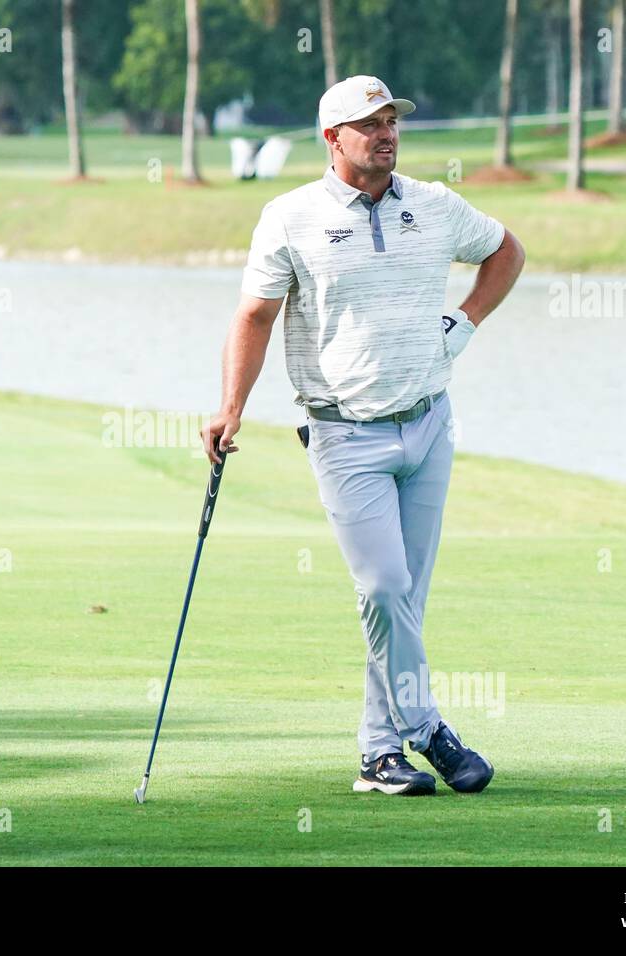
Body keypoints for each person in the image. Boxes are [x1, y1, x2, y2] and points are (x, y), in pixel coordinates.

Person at [201, 75, 526, 797]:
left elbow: (506, 251)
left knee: (405, 601)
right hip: (346, 435)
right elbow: (253, 318)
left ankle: (379, 756)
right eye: (368, 124)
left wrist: (463, 323)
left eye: (391, 121)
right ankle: (429, 730)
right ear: (332, 138)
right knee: (383, 588)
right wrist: (231, 408)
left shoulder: (434, 206)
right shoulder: (290, 217)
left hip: (429, 423)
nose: (385, 134)